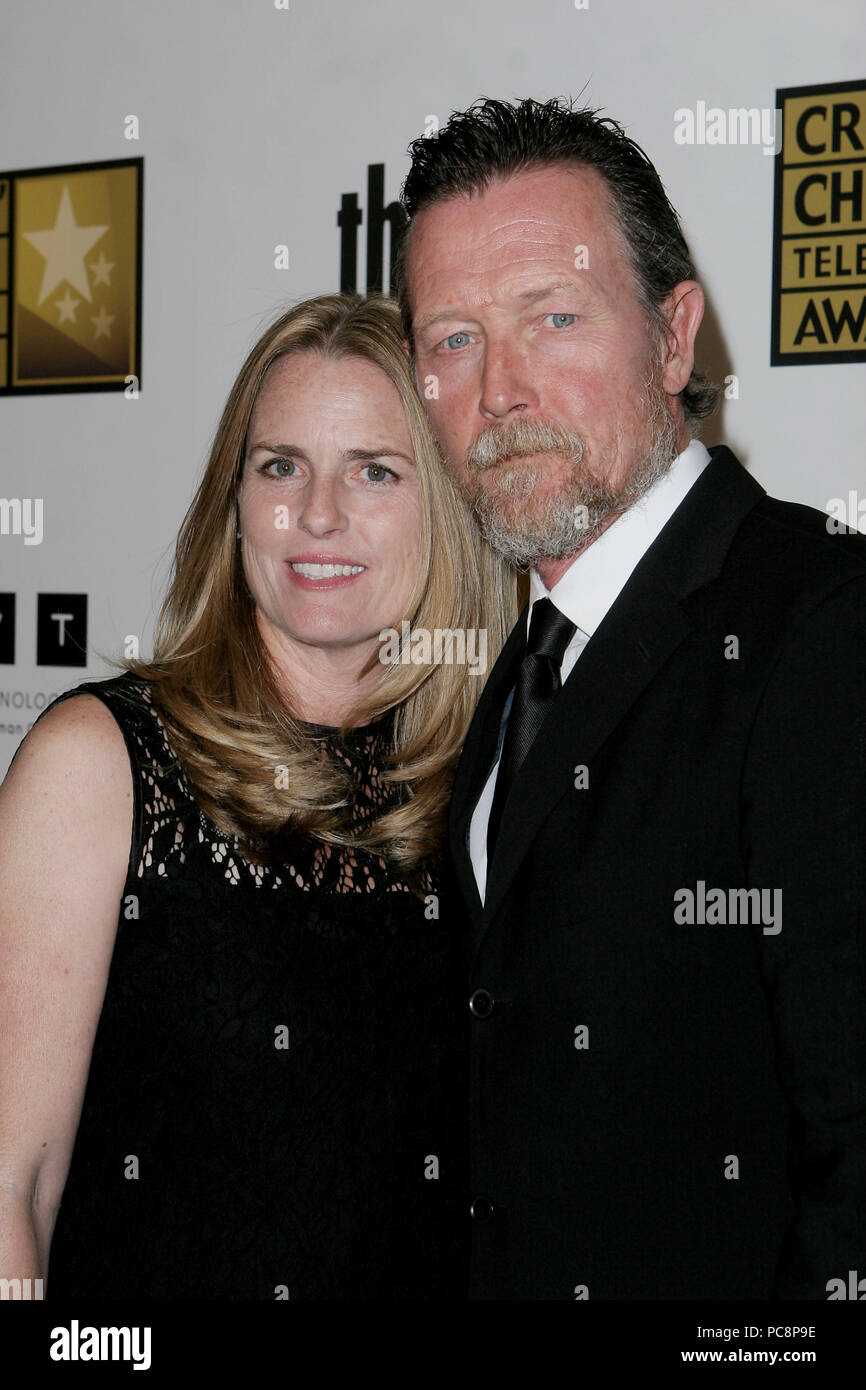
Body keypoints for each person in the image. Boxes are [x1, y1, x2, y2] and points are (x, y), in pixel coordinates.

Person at [395, 96, 866, 1300]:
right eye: (450, 338)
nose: (498, 387)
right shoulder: (518, 662)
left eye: (551, 318)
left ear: (672, 339)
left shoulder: (820, 626)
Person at [0, 292, 516, 1300]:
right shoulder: (103, 763)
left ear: (447, 506)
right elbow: (9, 1183)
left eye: (373, 471)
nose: (316, 513)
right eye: (280, 465)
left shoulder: (494, 788)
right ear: (233, 501)